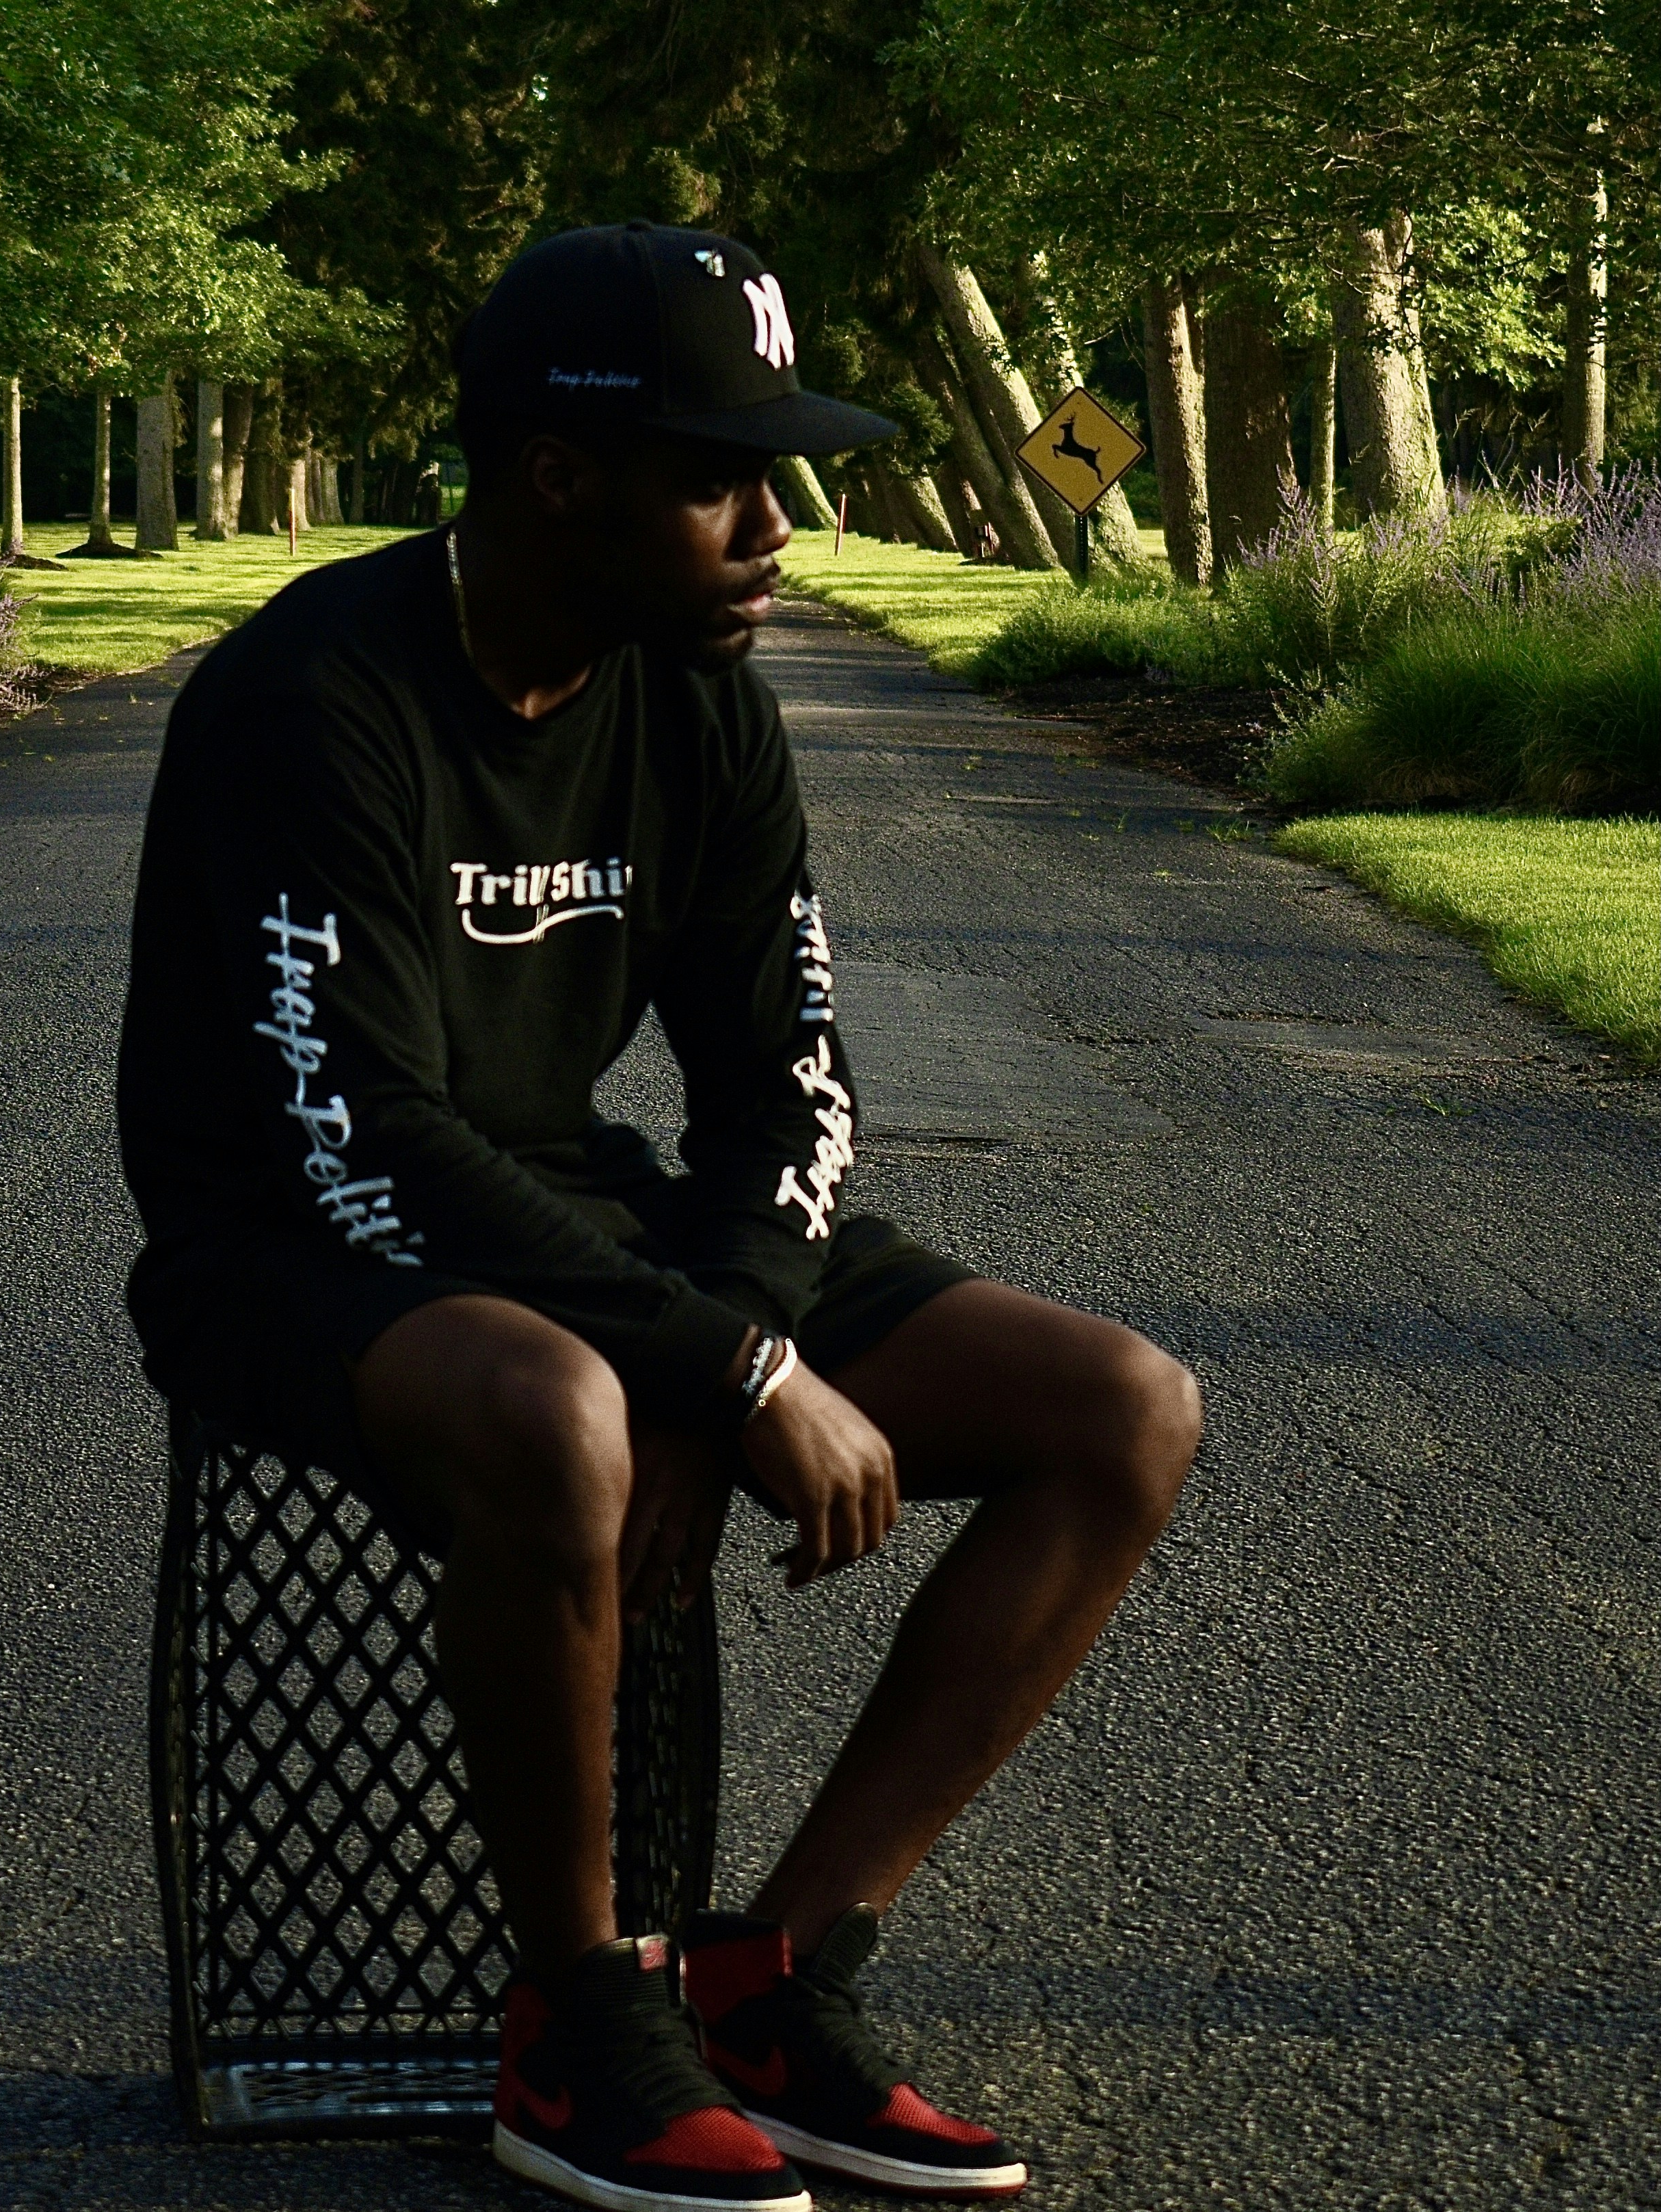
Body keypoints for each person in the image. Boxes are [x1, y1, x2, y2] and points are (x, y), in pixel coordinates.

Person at [114, 224, 1201, 2212]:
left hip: (556, 1215)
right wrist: (716, 1361)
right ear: (559, 477)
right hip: (291, 1234)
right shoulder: (313, 698)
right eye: (725, 477)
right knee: (560, 1416)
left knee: (1121, 1407)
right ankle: (580, 2024)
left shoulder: (702, 701)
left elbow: (787, 1085)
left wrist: (738, 1340)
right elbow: (361, 1125)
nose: (777, 524)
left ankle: (775, 1975)